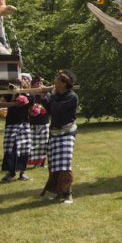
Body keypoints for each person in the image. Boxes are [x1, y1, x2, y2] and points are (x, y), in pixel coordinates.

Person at [41, 70, 78, 203]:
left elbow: (57, 108)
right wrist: (43, 96)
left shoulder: (71, 96)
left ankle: (68, 194)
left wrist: (50, 94)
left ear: (63, 83)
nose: (54, 82)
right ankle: (59, 192)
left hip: (66, 133)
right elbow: (50, 110)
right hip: (54, 132)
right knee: (54, 164)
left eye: (57, 79)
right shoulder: (57, 95)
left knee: (64, 164)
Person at [0, 74, 33, 182]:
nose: (23, 80)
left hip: (25, 124)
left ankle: (22, 172)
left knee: (25, 148)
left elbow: (31, 110)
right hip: (12, 123)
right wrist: (14, 103)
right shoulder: (10, 91)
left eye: (26, 79)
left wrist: (35, 111)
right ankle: (11, 172)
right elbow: (0, 104)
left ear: (28, 82)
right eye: (21, 78)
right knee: (11, 148)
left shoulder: (30, 94)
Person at [28, 76, 50, 168]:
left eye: (41, 83)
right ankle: (34, 162)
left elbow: (50, 107)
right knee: (33, 144)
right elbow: (28, 108)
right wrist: (31, 111)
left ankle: (42, 162)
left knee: (44, 144)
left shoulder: (47, 94)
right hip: (33, 122)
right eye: (37, 83)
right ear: (32, 85)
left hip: (44, 122)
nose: (40, 85)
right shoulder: (31, 95)